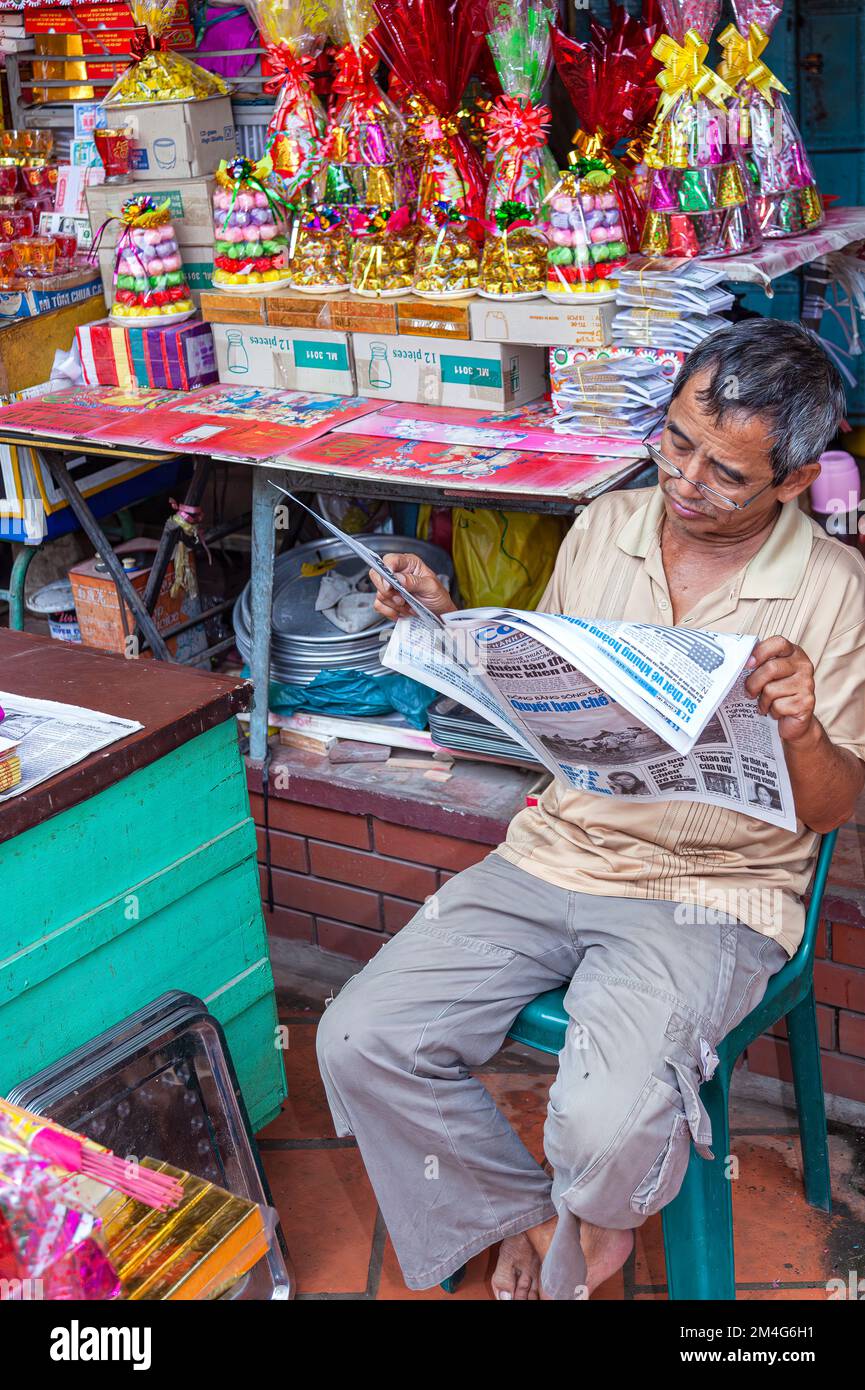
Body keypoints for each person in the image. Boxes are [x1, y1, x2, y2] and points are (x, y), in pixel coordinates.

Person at [316, 320, 865, 1300]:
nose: (686, 480)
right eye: (675, 441)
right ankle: (532, 1216)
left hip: (712, 890)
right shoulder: (608, 523)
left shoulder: (836, 592)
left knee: (603, 1124)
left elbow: (831, 808)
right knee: (359, 1037)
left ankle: (593, 1221)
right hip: (557, 848)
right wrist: (448, 629)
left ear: (789, 483)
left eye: (725, 473)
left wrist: (798, 727)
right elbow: (550, 705)